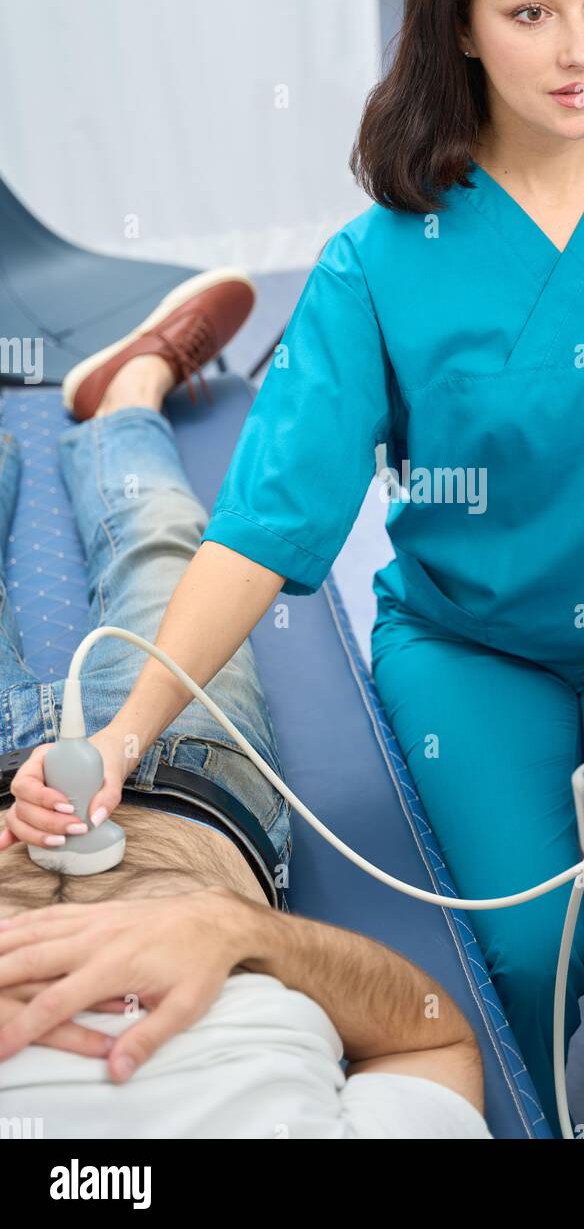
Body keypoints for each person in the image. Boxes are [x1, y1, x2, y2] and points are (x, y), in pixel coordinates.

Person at [4, 0, 584, 1137]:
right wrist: (127, 733)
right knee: (523, 950)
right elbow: (259, 530)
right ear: (461, 28)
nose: (581, 46)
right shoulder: (381, 260)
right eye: (530, 12)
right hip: (472, 650)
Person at [0, 274, 489, 1139]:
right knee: (160, 542)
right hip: (189, 790)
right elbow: (431, 1043)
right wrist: (237, 933)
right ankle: (130, 393)